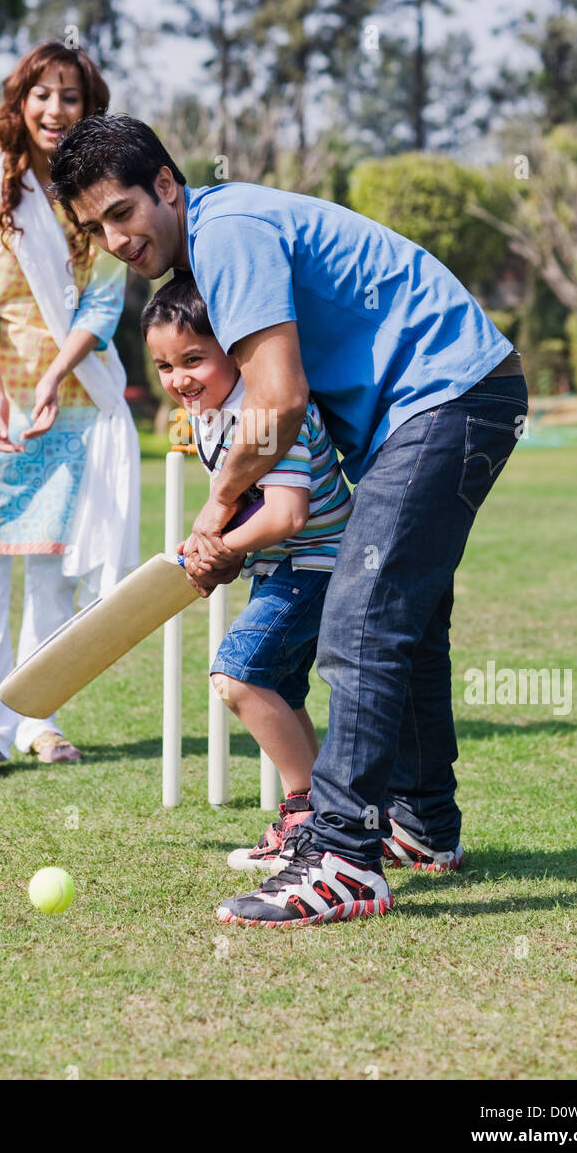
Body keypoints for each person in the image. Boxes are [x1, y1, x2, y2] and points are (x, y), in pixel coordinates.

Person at [50, 113, 528, 929]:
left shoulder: (226, 235)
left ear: (166, 185)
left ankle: (342, 855)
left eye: (121, 212)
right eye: (95, 228)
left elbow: (276, 401)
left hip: (445, 396)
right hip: (436, 402)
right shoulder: (221, 232)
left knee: (363, 617)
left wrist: (214, 508)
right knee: (409, 621)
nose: (116, 240)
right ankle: (423, 825)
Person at [0, 46, 138, 783]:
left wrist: (53, 378)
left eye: (71, 97)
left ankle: (40, 717)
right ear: (20, 100)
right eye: (42, 94)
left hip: (70, 398)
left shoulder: (95, 188)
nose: (55, 110)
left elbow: (105, 302)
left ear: (87, 108)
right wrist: (0, 392)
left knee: (51, 570)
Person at [142, 275, 352, 872]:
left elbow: (288, 513)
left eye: (193, 359)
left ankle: (307, 814)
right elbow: (240, 503)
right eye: (163, 365)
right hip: (287, 564)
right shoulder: (213, 415)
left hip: (317, 562)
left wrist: (222, 549)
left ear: (234, 351)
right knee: (280, 691)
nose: (179, 378)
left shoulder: (264, 414)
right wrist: (212, 546)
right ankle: (329, 820)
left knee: (237, 676)